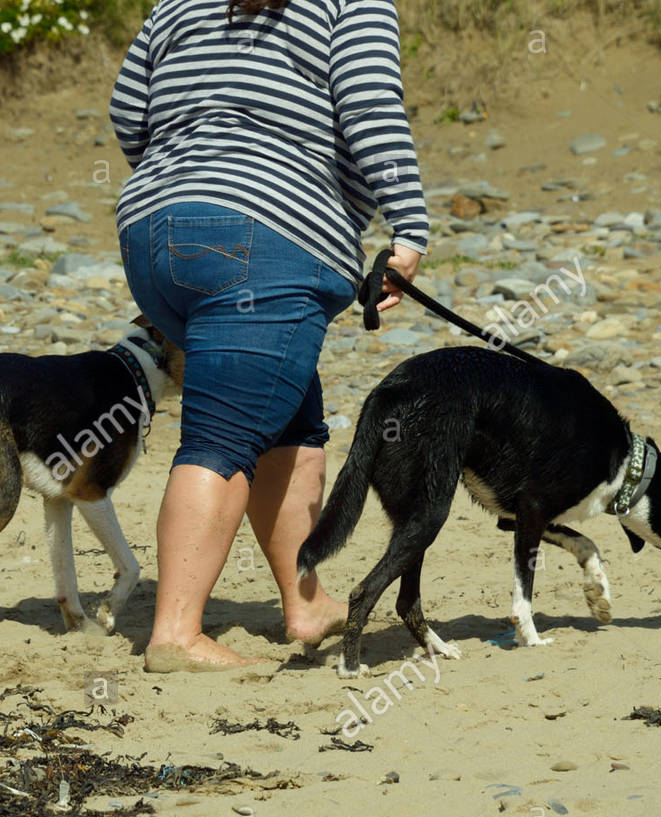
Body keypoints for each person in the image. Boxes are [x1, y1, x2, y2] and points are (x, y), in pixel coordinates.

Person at [110, 0, 428, 672]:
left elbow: (127, 112)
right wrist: (409, 226)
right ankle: (175, 633)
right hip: (263, 237)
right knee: (223, 435)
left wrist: (188, 174)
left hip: (153, 233)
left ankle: (306, 601)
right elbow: (369, 106)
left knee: (286, 414)